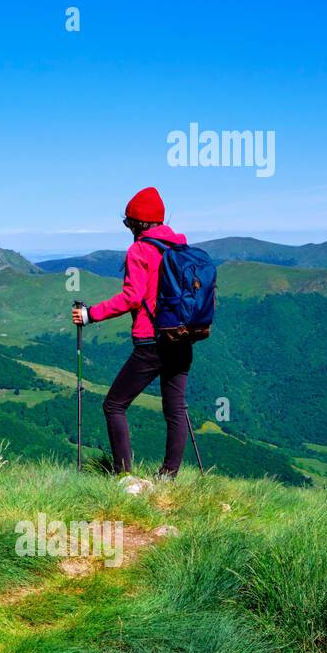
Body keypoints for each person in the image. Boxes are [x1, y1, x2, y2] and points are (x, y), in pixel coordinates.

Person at [70, 186, 192, 477]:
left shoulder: (140, 250)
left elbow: (131, 298)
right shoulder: (180, 248)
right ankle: (168, 477)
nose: (128, 228)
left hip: (152, 342)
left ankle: (122, 475)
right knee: (175, 410)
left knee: (114, 405)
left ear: (138, 223)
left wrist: (89, 315)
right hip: (183, 337)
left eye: (128, 222)